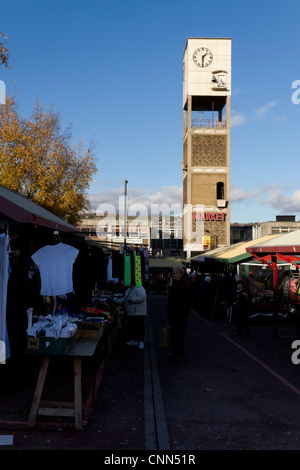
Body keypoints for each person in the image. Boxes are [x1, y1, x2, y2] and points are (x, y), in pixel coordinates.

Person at [167, 266, 193, 361]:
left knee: (179, 335)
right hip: (174, 314)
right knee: (174, 335)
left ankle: (179, 354)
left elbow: (187, 302)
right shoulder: (176, 283)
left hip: (179, 314)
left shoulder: (185, 284)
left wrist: (182, 314)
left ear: (180, 273)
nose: (172, 275)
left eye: (174, 273)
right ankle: (176, 353)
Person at [117, 282, 147, 349]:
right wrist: (117, 301)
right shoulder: (129, 289)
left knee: (139, 327)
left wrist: (132, 300)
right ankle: (135, 340)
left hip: (138, 312)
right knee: (134, 326)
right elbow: (125, 298)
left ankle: (141, 341)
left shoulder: (139, 288)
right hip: (132, 312)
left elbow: (142, 297)